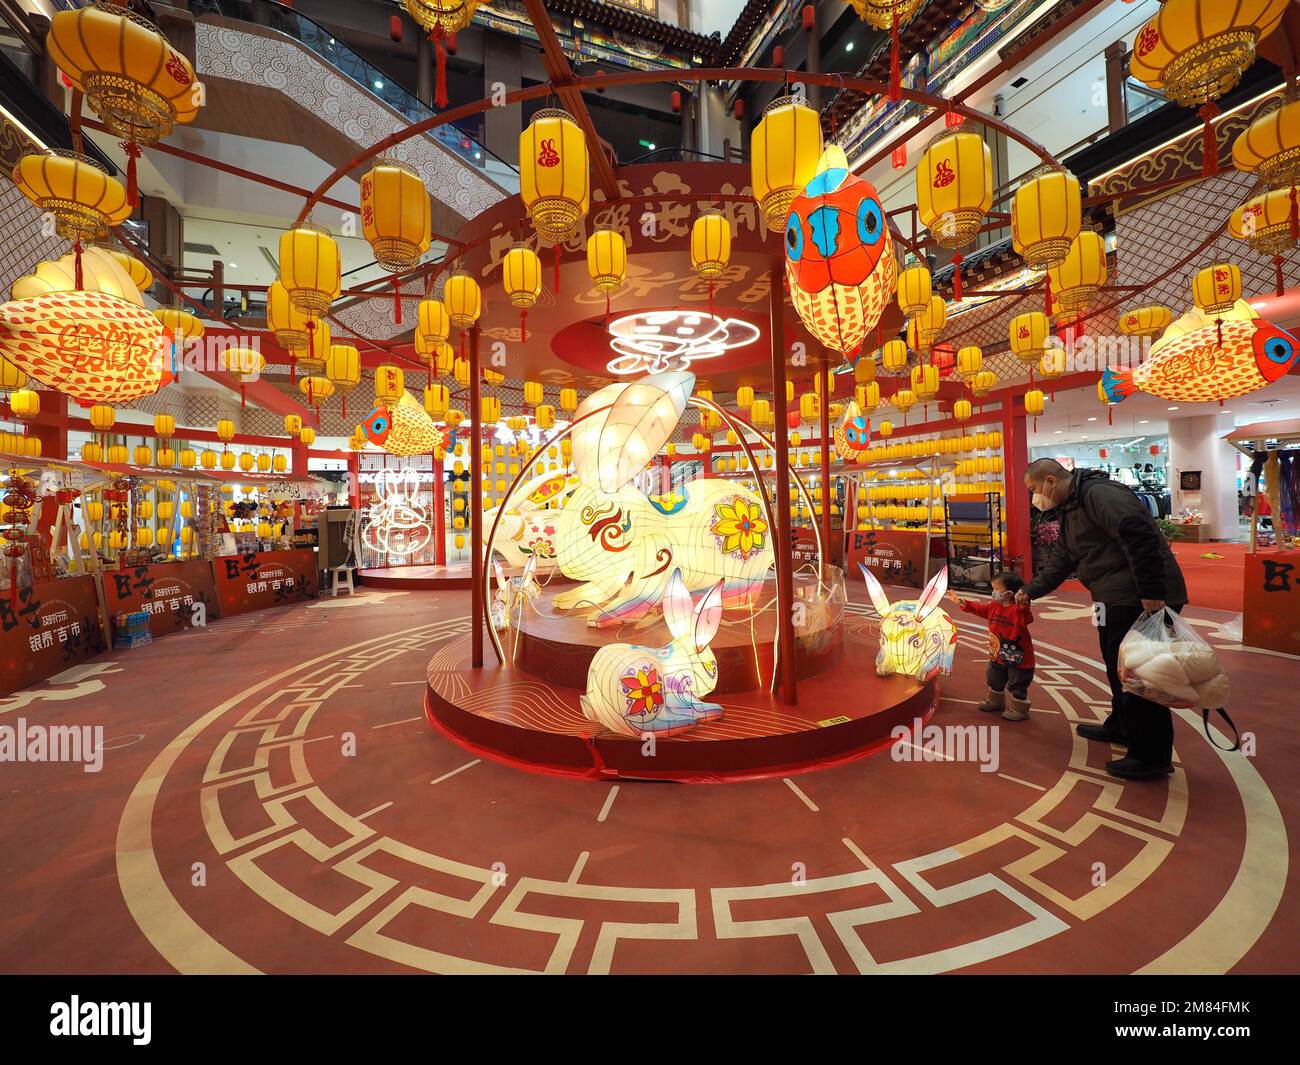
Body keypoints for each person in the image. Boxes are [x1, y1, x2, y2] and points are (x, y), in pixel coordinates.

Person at [1018, 458, 1188, 780]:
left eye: (1033, 490)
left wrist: (1151, 591)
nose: (1033, 498)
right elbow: (1063, 558)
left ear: (1050, 481)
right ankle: (1123, 726)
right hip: (1112, 596)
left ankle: (1151, 755)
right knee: (1117, 666)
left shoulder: (1099, 494)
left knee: (1140, 674)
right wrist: (1031, 591)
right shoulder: (1071, 507)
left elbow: (1139, 534)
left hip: (1139, 597)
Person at [949, 572, 1035, 722]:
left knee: (1017, 682)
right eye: (993, 588)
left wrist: (1022, 605)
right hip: (997, 652)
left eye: (997, 589)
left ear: (1009, 594)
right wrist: (964, 603)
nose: (993, 592)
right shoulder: (995, 606)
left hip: (1018, 657)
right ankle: (996, 700)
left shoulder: (1018, 611)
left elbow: (1026, 619)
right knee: (994, 677)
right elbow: (981, 609)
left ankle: (1020, 709)